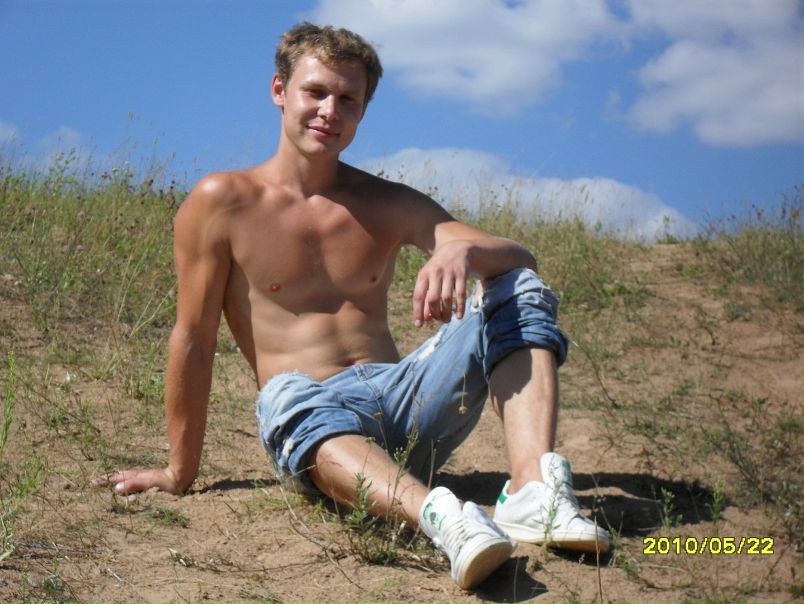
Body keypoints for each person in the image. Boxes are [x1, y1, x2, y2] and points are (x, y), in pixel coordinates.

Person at [94, 22, 609, 590]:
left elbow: (521, 260)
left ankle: (533, 492)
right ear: (279, 90)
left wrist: (462, 250)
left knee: (516, 286)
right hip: (314, 421)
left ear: (362, 111)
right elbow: (194, 338)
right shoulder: (223, 202)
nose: (329, 111)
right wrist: (179, 470)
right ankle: (443, 519)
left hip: (406, 406)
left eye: (347, 100)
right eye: (315, 92)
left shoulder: (384, 201)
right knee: (282, 391)